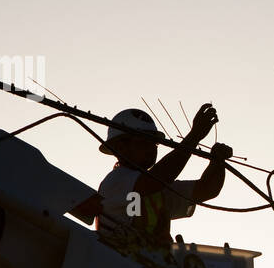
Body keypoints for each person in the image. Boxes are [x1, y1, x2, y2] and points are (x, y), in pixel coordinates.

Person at [95, 104, 233, 250]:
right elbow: (157, 179)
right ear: (120, 147)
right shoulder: (116, 181)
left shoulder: (159, 189)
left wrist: (217, 162)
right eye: (143, 142)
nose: (152, 148)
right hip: (120, 266)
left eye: (154, 143)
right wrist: (195, 135)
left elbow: (207, 189)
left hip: (152, 267)